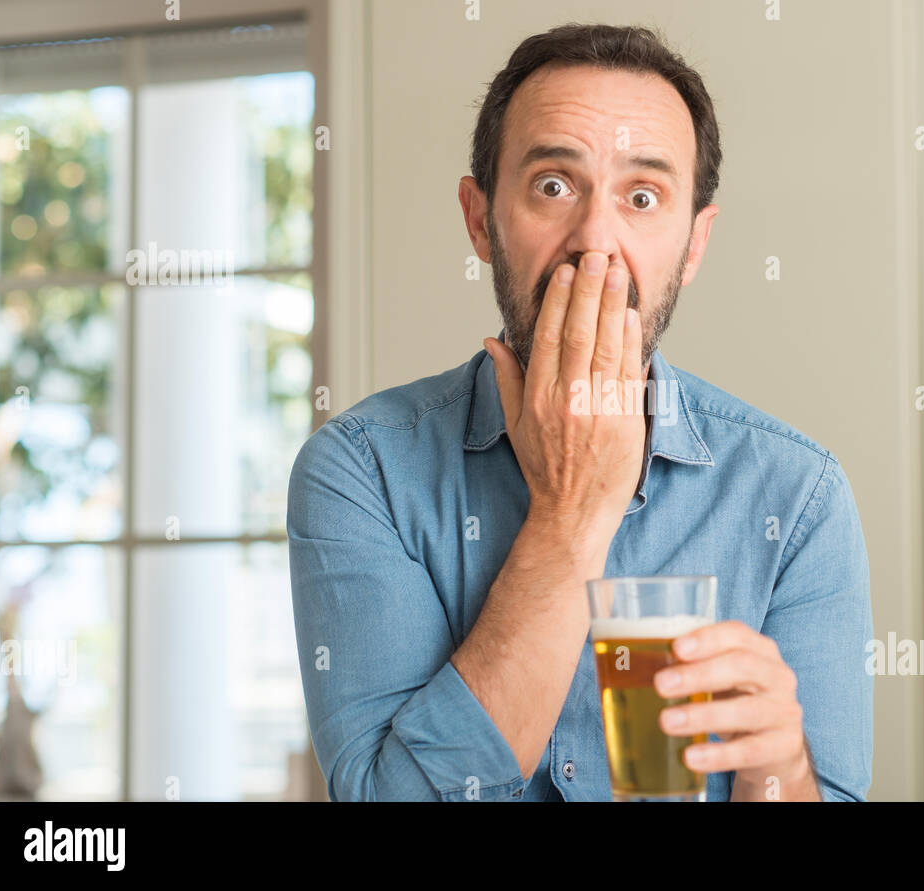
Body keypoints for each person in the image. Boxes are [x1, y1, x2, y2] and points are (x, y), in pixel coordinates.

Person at [287, 22, 872, 802]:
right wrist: (570, 517)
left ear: (694, 246)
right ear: (479, 219)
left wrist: (779, 769)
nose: (595, 240)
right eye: (554, 185)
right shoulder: (361, 471)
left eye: (643, 196)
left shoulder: (800, 498)